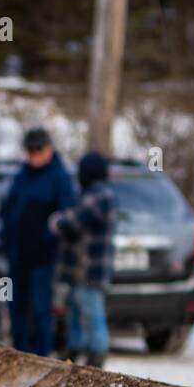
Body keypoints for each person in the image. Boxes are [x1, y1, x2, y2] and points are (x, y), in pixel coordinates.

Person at [0, 128, 75, 356]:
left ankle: (42, 356)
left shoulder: (59, 177)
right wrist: (5, 236)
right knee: (15, 307)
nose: (33, 155)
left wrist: (47, 239)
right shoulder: (22, 174)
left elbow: (65, 217)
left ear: (48, 149)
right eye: (29, 150)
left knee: (41, 309)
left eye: (37, 150)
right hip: (17, 255)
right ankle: (19, 353)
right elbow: (9, 208)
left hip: (42, 258)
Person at [52, 151, 116, 367]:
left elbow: (73, 222)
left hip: (91, 271)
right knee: (76, 315)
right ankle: (75, 354)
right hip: (79, 271)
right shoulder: (91, 193)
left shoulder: (99, 196)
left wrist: (57, 221)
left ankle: (96, 360)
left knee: (93, 316)